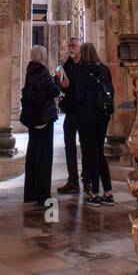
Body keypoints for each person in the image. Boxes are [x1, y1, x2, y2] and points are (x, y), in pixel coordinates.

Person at [63, 42, 115, 205]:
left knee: (91, 154)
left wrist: (68, 95)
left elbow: (77, 95)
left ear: (83, 54)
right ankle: (108, 193)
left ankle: (94, 193)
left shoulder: (81, 70)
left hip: (87, 118)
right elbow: (111, 91)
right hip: (103, 116)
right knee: (99, 152)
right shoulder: (104, 69)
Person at [20, 46, 60, 208]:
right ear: (42, 57)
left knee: (33, 154)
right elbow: (54, 92)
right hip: (44, 117)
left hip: (32, 118)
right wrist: (57, 79)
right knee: (44, 157)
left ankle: (30, 194)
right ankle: (43, 196)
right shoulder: (43, 71)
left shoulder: (30, 71)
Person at [56, 37, 85, 194]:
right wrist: (63, 85)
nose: (71, 48)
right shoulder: (67, 64)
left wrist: (71, 85)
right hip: (71, 110)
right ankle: (73, 180)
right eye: (70, 45)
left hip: (84, 111)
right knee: (69, 145)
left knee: (85, 145)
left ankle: (87, 178)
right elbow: (65, 86)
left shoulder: (85, 65)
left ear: (80, 48)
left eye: (74, 45)